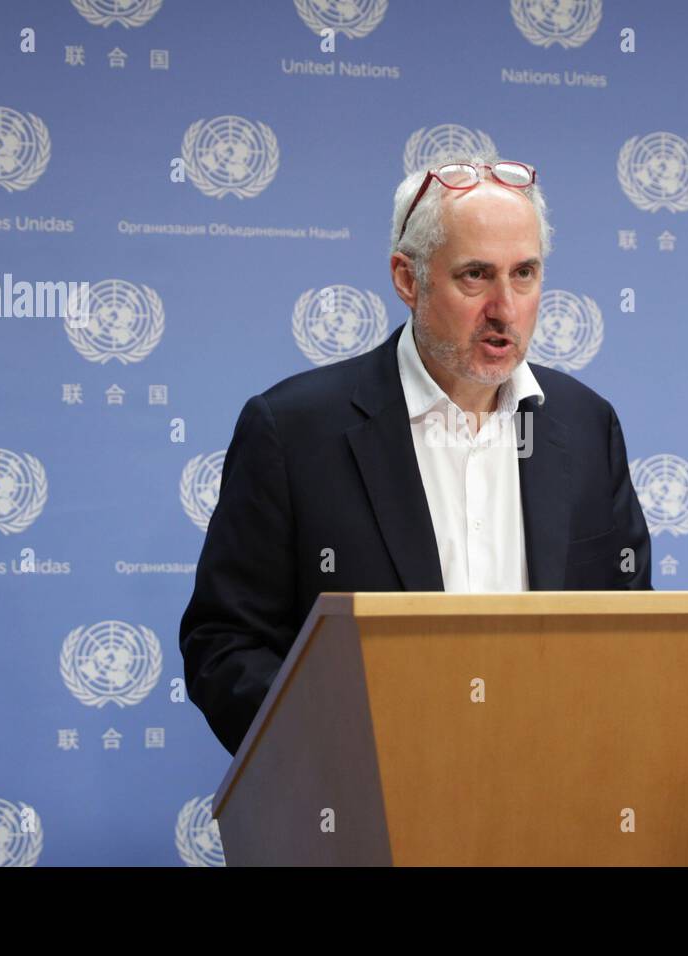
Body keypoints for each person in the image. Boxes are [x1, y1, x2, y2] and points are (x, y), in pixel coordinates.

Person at [180, 152, 653, 755]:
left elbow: (633, 631)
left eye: (525, 273)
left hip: (553, 804)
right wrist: (349, 750)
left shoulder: (587, 427)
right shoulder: (294, 432)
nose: (505, 309)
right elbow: (225, 644)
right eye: (476, 275)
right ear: (409, 278)